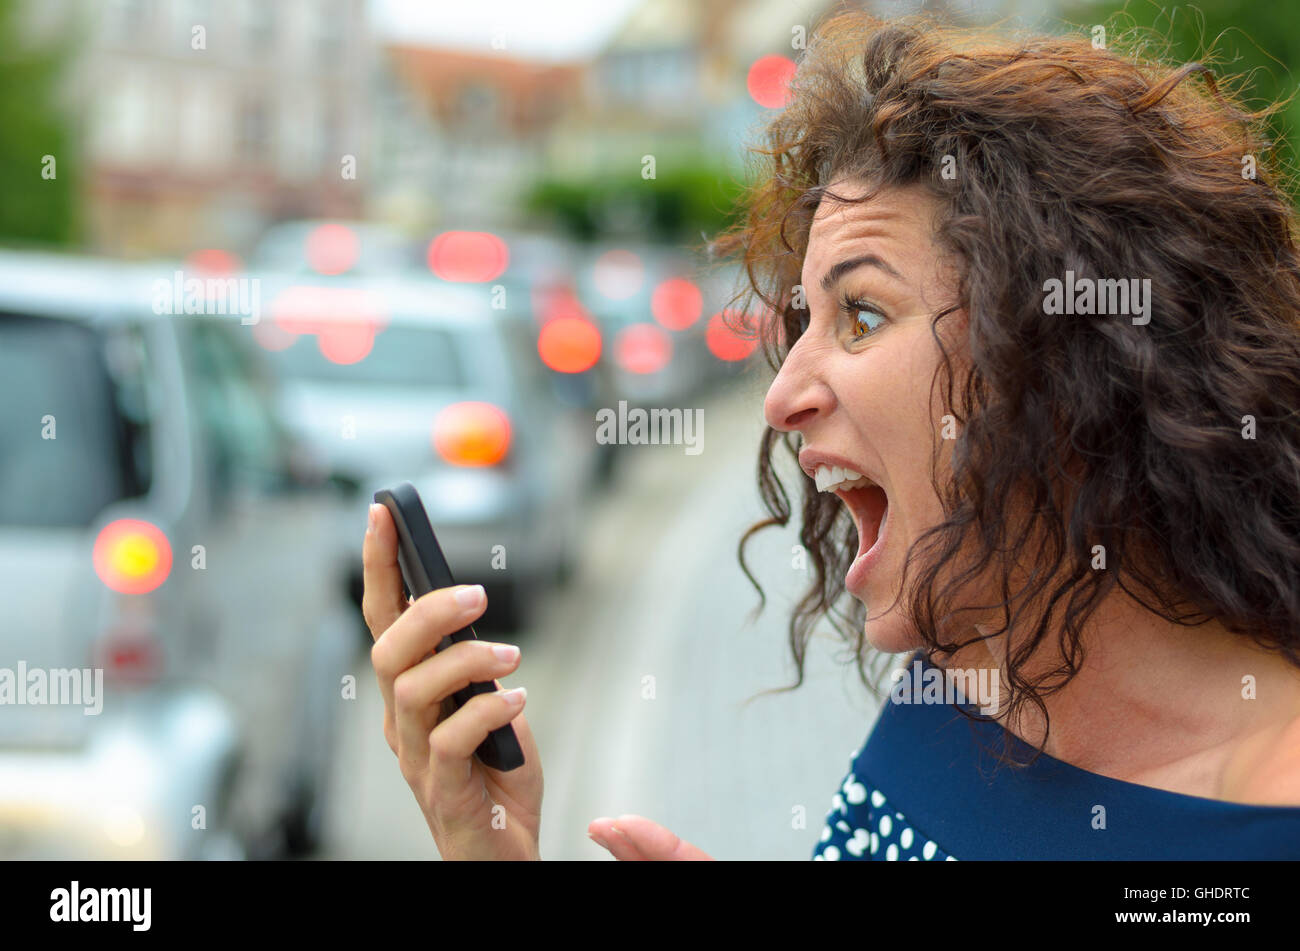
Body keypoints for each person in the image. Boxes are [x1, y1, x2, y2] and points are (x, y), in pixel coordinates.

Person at [362, 11, 1300, 860]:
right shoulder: (959, 677)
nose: (784, 395)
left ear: (1065, 356)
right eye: (802, 318)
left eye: (859, 314)